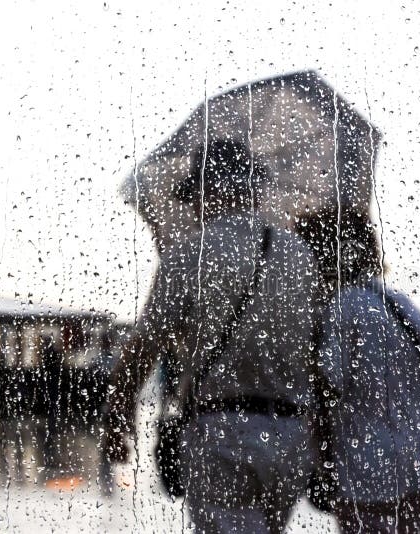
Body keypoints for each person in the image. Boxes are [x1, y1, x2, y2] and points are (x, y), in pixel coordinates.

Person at [103, 138, 320, 533]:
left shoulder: (189, 255)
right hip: (290, 433)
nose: (194, 208)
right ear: (253, 189)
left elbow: (143, 347)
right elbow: (317, 349)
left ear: (209, 190)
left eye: (195, 196)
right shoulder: (299, 255)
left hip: (221, 433)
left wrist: (119, 413)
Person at [296, 210, 420, 533]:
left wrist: (320, 459)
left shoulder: (339, 311)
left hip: (365, 467)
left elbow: (327, 388)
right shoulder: (403, 305)